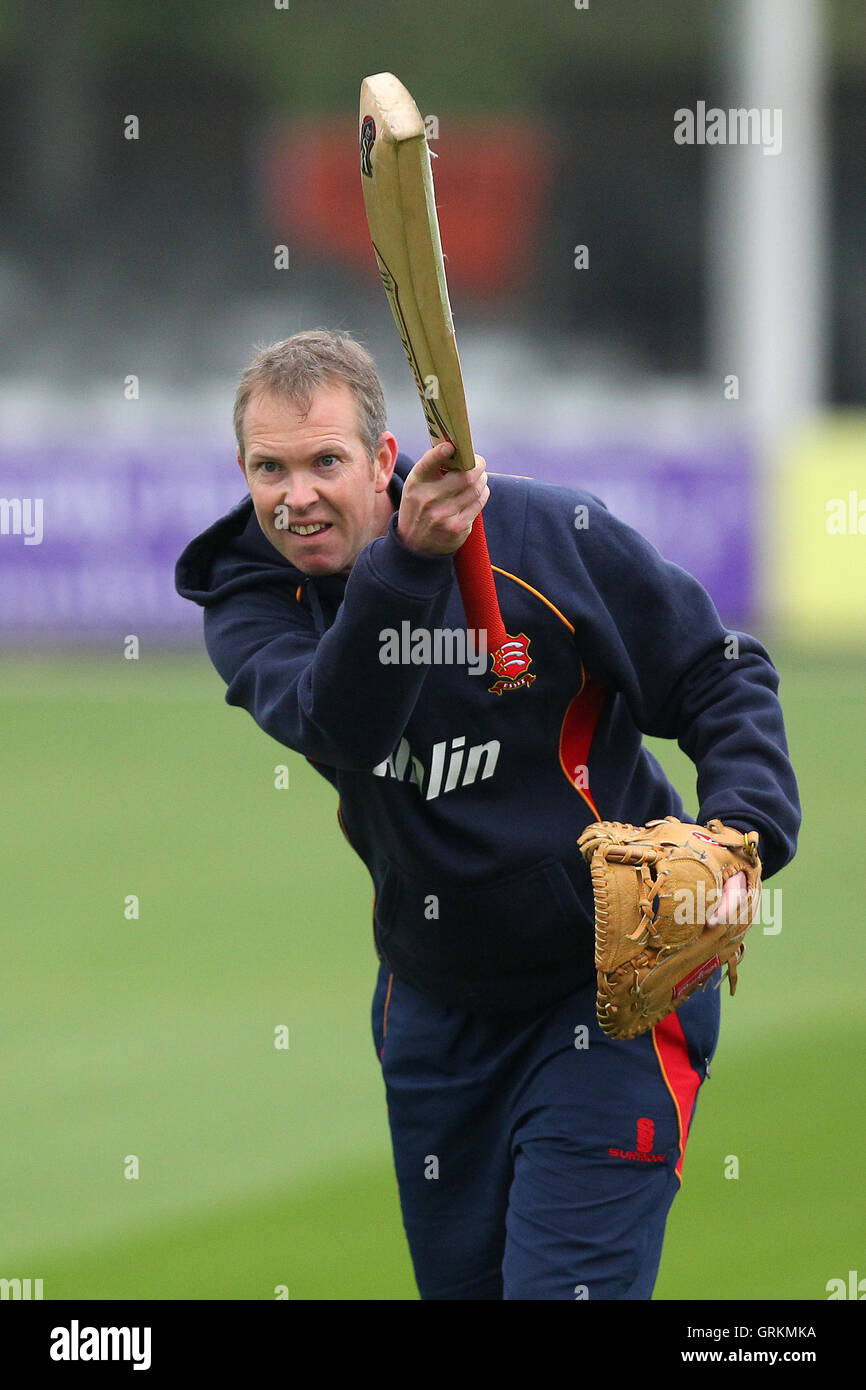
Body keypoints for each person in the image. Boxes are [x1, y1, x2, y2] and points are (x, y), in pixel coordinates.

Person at [175, 329, 800, 1301]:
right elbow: (341, 723)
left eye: (323, 461)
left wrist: (739, 833)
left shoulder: (547, 539)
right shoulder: (255, 598)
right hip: (433, 1005)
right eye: (268, 468)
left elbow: (715, 675)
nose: (293, 496)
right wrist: (411, 567)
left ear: (385, 461)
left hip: (613, 983)